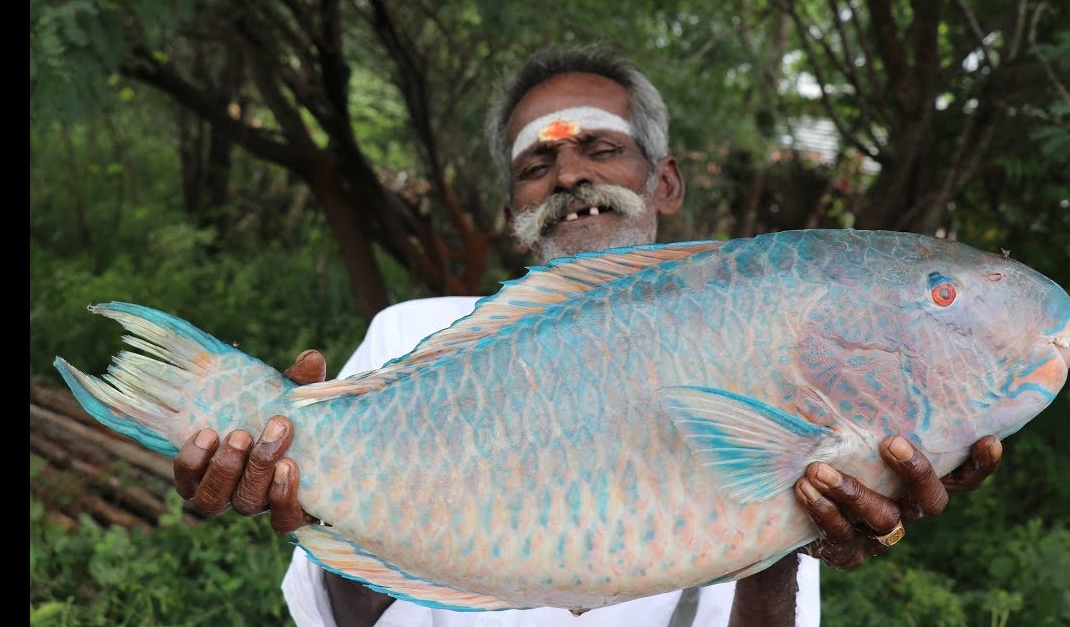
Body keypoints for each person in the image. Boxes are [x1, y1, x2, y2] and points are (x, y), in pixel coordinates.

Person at [171, 45, 1002, 627]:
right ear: (514, 208)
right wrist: (300, 489)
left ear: (664, 181)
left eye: (602, 149)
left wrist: (793, 538)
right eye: (538, 166)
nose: (570, 175)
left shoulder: (763, 335)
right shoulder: (410, 337)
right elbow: (343, 617)